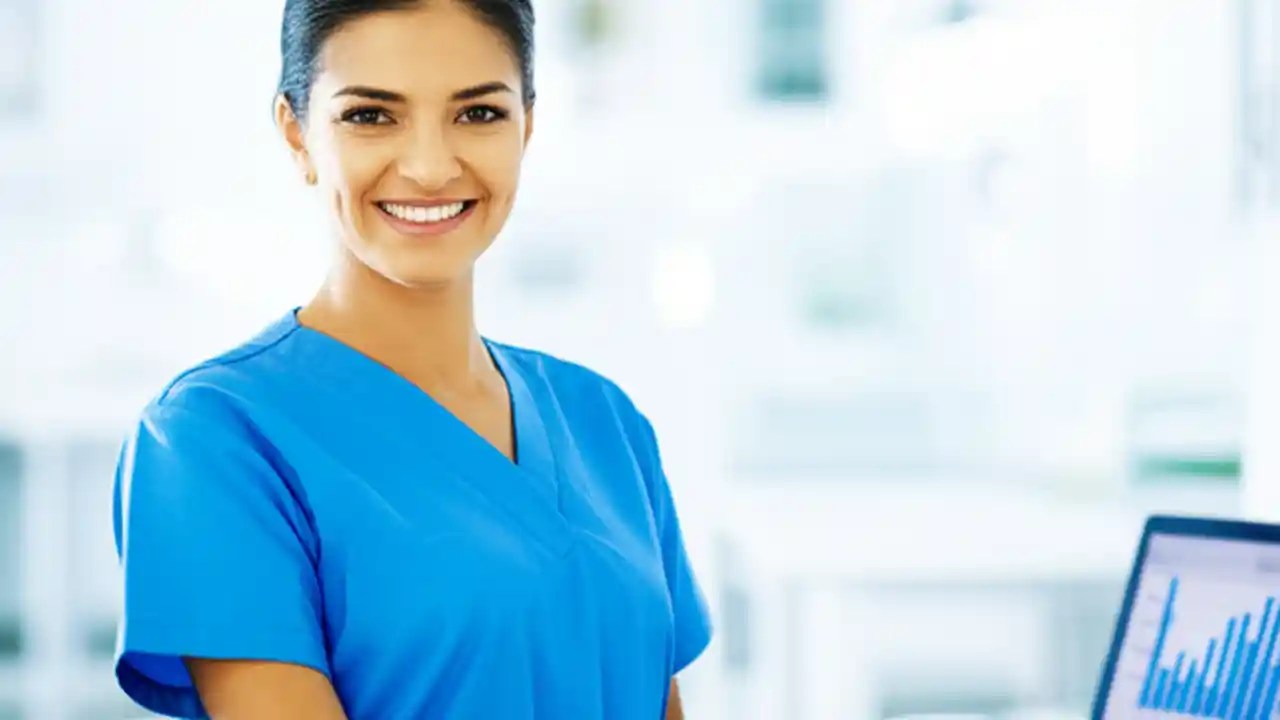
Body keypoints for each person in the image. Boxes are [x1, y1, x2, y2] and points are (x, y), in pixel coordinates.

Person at [109, 0, 713, 717]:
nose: (429, 167)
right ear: (297, 134)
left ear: (528, 126)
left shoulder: (602, 420)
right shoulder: (214, 439)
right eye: (371, 115)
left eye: (479, 114)